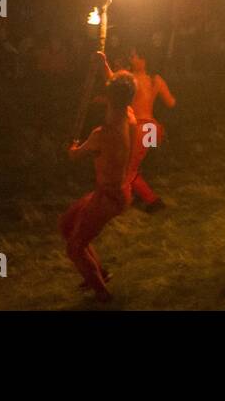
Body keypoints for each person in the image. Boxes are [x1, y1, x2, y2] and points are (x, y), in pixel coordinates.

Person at [59, 55, 145, 301]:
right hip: (115, 192)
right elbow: (119, 92)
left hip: (109, 197)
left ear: (107, 98)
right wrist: (104, 65)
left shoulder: (101, 134)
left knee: (74, 247)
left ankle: (102, 295)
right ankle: (98, 273)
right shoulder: (129, 116)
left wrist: (72, 147)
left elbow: (75, 156)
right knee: (67, 224)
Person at [126, 45, 176, 211]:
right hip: (152, 128)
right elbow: (171, 102)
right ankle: (135, 197)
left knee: (128, 168)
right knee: (139, 165)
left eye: (134, 56)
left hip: (140, 128)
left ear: (143, 60)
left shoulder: (130, 79)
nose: (131, 60)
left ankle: (152, 201)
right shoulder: (156, 79)